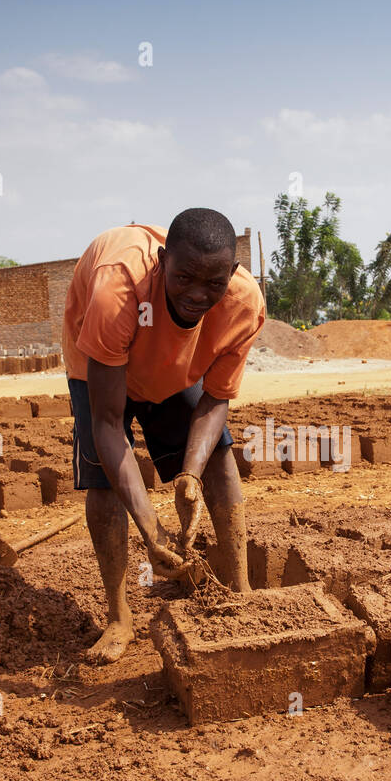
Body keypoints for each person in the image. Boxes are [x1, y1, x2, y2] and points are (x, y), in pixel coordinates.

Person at [62, 208, 265, 663]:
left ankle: (240, 588)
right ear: (162, 260)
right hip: (98, 356)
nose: (197, 295)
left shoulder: (242, 303)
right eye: (184, 278)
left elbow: (215, 399)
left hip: (173, 364)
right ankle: (119, 617)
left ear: (231, 274)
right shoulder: (118, 290)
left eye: (212, 283)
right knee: (102, 478)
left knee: (218, 457)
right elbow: (109, 425)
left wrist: (188, 476)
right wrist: (152, 530)